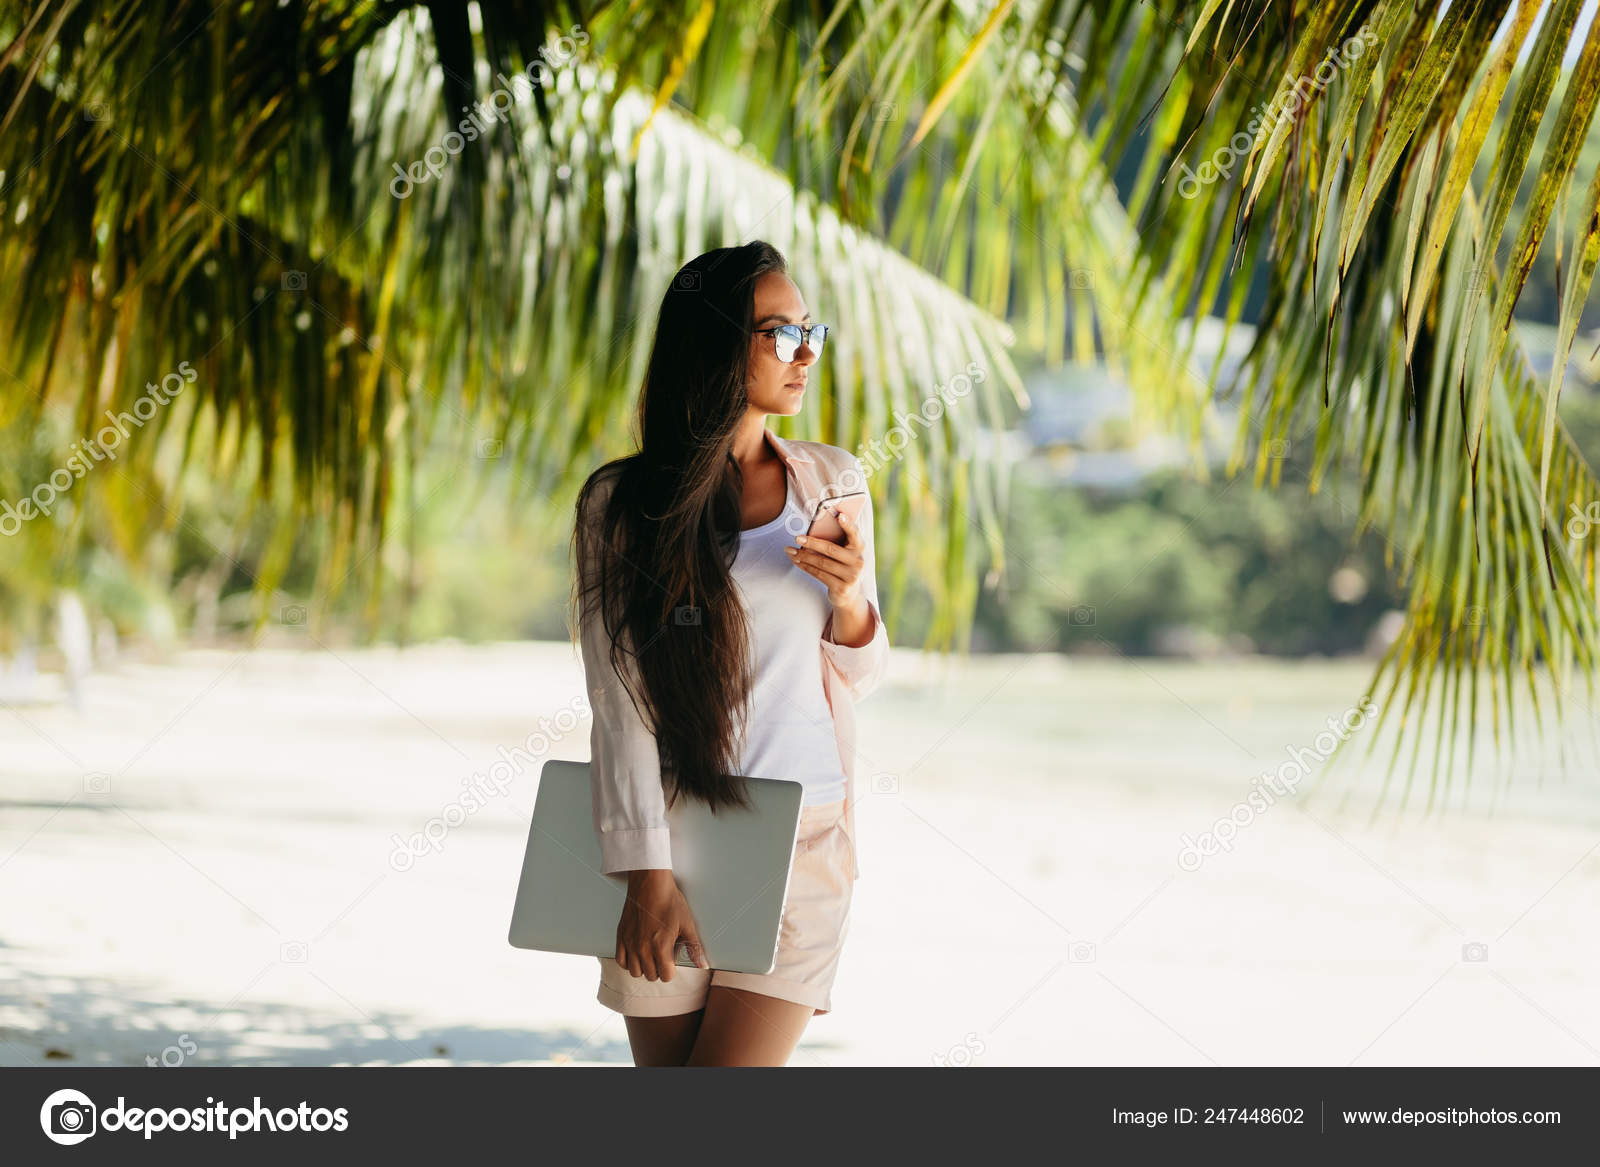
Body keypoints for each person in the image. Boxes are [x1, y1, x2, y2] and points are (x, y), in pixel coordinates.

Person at [569, 240, 891, 1066]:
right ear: (716, 344)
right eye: (781, 333)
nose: (806, 352)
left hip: (804, 833)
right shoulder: (620, 506)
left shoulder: (834, 480)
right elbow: (620, 701)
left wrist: (852, 600)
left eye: (811, 330)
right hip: (668, 839)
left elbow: (858, 675)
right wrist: (646, 875)